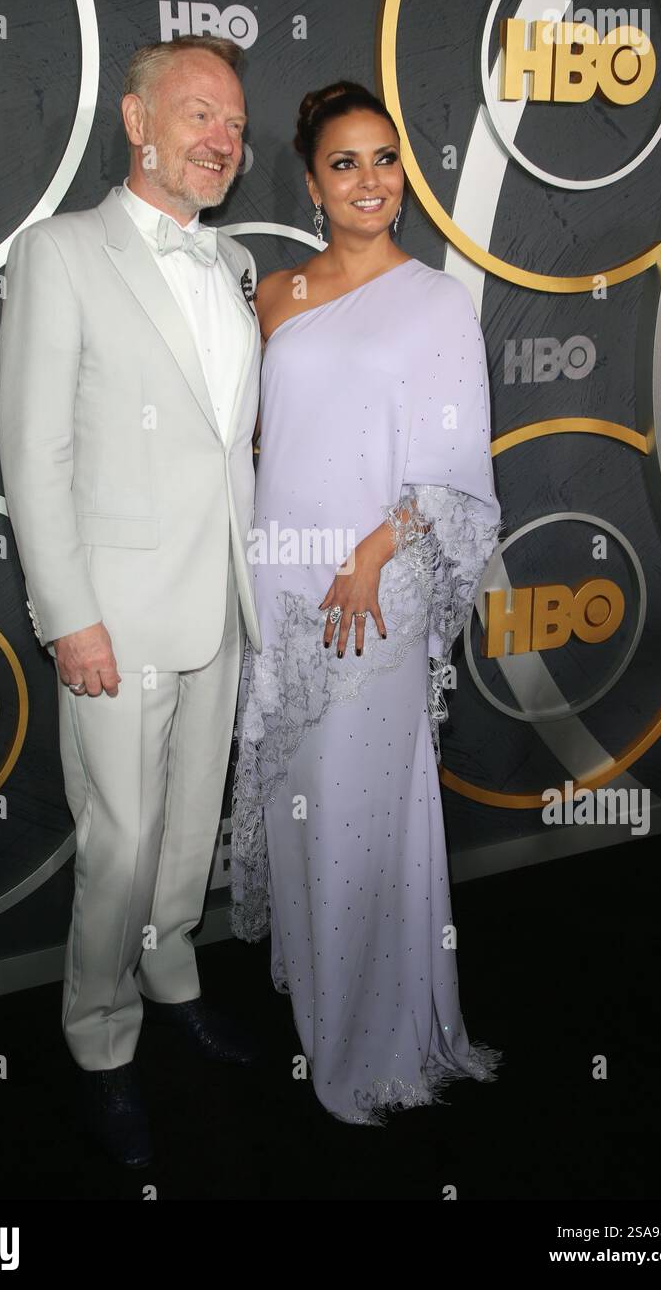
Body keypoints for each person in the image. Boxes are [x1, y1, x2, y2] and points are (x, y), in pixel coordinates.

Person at [0, 35, 262, 1167]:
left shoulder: (235, 264)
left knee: (188, 828)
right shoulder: (60, 252)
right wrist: (69, 615)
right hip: (114, 612)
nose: (220, 137)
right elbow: (33, 448)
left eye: (234, 124)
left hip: (219, 606)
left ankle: (173, 974)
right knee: (122, 841)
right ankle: (100, 1040)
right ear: (136, 121)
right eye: (197, 113)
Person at [230, 80, 505, 1125]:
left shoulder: (436, 301)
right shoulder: (276, 297)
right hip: (283, 579)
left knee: (362, 807)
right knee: (303, 800)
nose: (368, 180)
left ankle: (374, 1040)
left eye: (383, 159)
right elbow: (260, 442)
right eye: (344, 163)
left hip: (371, 588)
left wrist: (369, 554)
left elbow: (448, 468)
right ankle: (319, 998)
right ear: (310, 182)